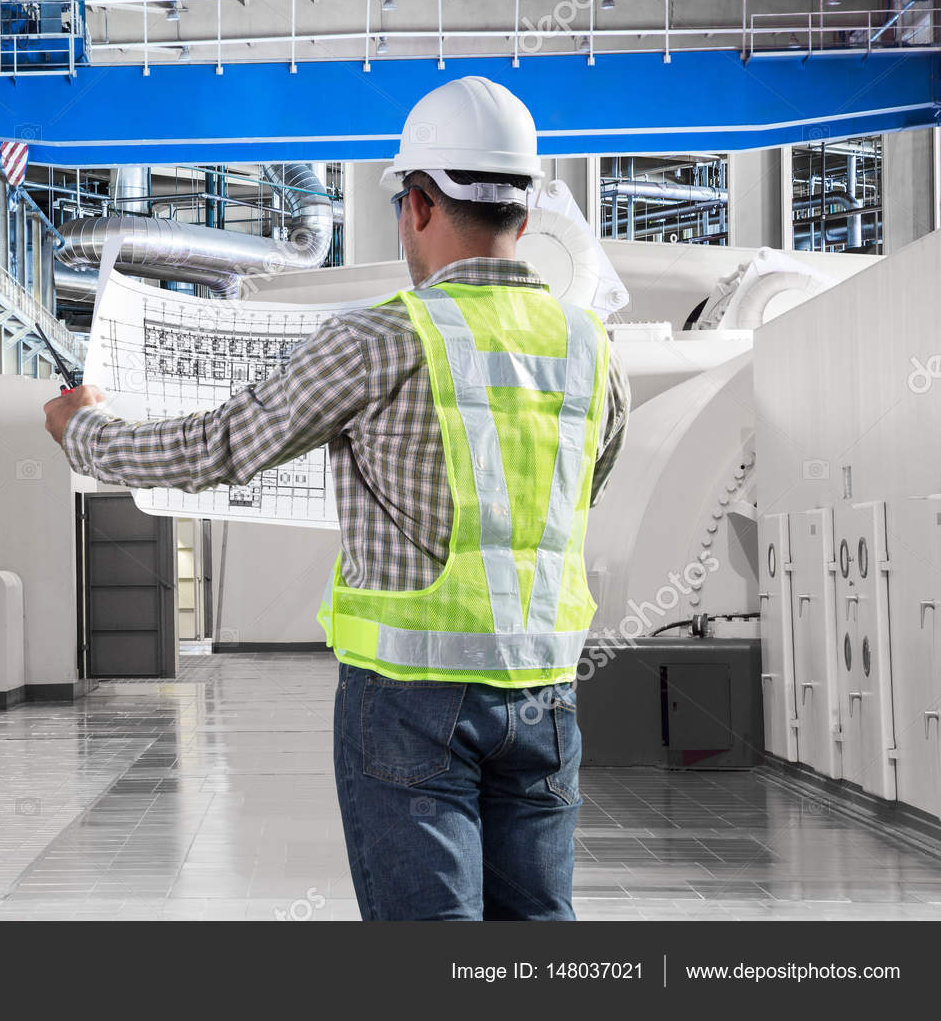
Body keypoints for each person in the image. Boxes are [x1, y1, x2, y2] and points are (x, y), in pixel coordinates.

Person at [42, 77, 629, 920]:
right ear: (524, 216)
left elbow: (220, 445)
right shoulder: (594, 349)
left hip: (409, 699)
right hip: (545, 695)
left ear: (418, 204)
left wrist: (86, 432)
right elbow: (581, 490)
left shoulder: (381, 337)